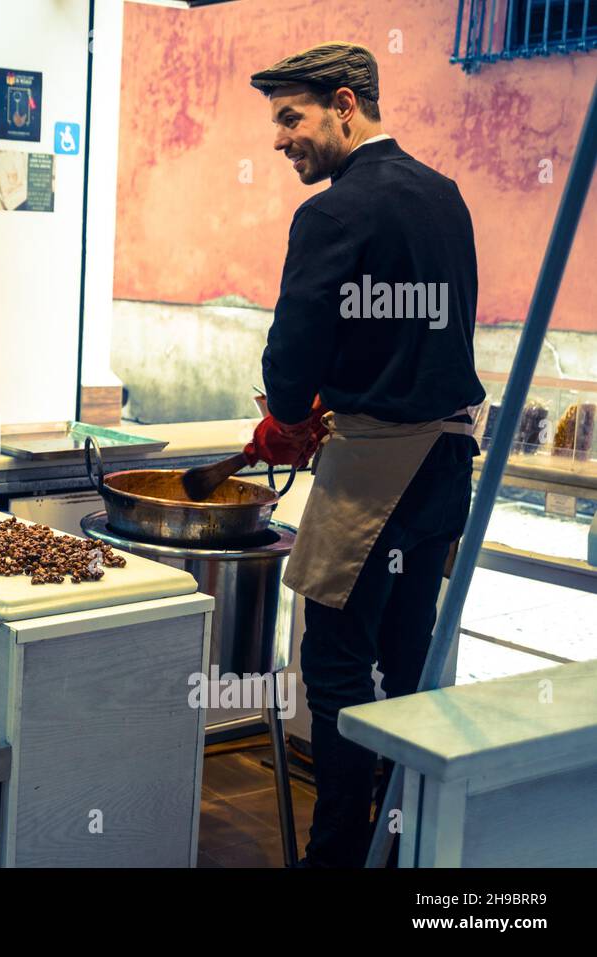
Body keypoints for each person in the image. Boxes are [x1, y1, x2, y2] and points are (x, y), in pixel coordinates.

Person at [244, 43, 485, 867]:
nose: (280, 140)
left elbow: (293, 351)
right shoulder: (446, 196)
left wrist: (286, 411)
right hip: (447, 467)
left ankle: (336, 854)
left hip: (375, 474)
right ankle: (403, 843)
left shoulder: (332, 213)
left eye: (291, 118)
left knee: (338, 669)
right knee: (409, 668)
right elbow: (434, 333)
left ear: (345, 104)